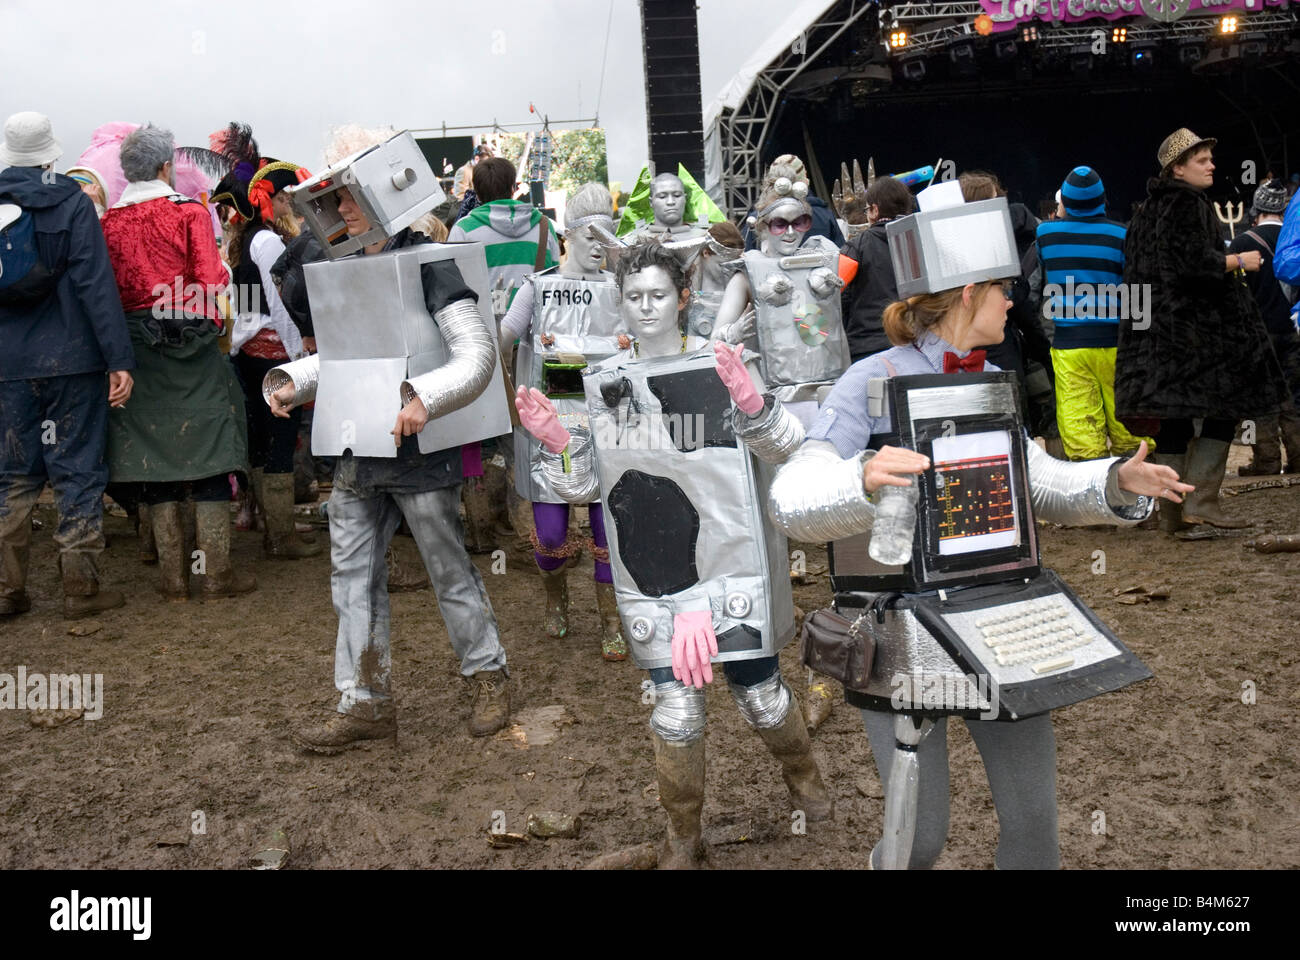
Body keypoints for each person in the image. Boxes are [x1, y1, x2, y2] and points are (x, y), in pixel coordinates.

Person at [766, 193, 1191, 868]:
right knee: (918, 838)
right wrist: (862, 480)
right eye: (1003, 290)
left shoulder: (992, 380)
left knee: (1033, 833)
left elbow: (1034, 481)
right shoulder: (864, 382)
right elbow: (790, 499)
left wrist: (1112, 482)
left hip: (999, 617)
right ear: (971, 293)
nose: (1012, 303)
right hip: (896, 631)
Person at [516, 240, 832, 868]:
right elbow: (586, 488)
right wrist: (557, 441)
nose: (646, 307)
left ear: (683, 297)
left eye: (658, 294)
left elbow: (789, 449)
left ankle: (806, 781)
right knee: (677, 715)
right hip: (652, 572)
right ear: (620, 304)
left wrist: (753, 403)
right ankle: (682, 840)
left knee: (760, 695)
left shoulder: (721, 366)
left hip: (732, 562)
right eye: (633, 297)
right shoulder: (603, 384)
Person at [268, 151, 512, 749]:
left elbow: (477, 356)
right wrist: (294, 384)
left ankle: (489, 674)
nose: (340, 210)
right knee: (350, 576)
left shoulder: (433, 268)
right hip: (356, 453)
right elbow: (352, 358)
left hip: (421, 456)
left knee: (447, 568)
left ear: (383, 197)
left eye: (349, 197)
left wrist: (425, 399)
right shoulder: (344, 272)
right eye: (332, 202)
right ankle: (364, 699)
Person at [100, 124, 255, 600]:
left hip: (134, 348)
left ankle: (172, 581)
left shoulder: (107, 224)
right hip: (190, 338)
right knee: (210, 443)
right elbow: (211, 282)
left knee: (155, 451)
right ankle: (216, 576)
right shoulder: (189, 213)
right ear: (166, 166)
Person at [1115, 128, 1289, 532]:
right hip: (1196, 335)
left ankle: (1174, 514)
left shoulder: (1145, 212)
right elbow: (1191, 265)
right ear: (1177, 168)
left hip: (1158, 337)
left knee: (1175, 421)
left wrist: (1139, 336)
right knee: (1223, 409)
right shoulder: (1187, 203)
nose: (1212, 165)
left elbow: (1139, 281)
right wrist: (1238, 260)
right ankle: (1202, 502)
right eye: (1201, 160)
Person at [0, 111, 134, 619]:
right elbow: (95, 285)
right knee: (76, 467)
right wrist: (118, 359)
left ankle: (7, 589)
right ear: (51, 156)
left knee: (11, 475)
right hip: (72, 360)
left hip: (7, 363)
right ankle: (80, 588)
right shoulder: (72, 201)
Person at [498, 183, 627, 659]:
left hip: (610, 427)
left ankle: (611, 619)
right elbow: (503, 335)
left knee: (607, 528)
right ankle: (556, 597)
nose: (600, 246)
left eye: (608, 237)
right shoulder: (536, 288)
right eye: (590, 236)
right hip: (548, 431)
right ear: (567, 236)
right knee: (551, 534)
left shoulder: (622, 290)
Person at [215, 158, 321, 560]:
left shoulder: (240, 242)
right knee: (278, 440)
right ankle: (280, 537)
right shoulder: (266, 241)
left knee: (261, 440)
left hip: (250, 354)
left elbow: (244, 309)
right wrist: (299, 355)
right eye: (283, 196)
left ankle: (267, 524)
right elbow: (281, 304)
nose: (288, 202)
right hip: (275, 353)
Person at [1037, 166, 1151, 462]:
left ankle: (1094, 493)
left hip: (1069, 346)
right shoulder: (1123, 235)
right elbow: (1139, 288)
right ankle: (1139, 496)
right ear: (1103, 200)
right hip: (1119, 346)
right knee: (1130, 428)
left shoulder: (1045, 235)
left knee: (1081, 429)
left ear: (1065, 202)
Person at [1229, 180, 1300, 474]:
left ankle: (1267, 461)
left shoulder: (1242, 244)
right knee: (1294, 396)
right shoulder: (1293, 240)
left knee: (1261, 400)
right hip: (1293, 331)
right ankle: (1298, 458)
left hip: (1257, 335)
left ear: (1255, 211)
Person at [840, 174, 910, 363]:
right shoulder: (918, 241)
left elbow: (837, 292)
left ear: (874, 210)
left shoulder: (856, 246)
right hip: (912, 343)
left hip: (867, 347)